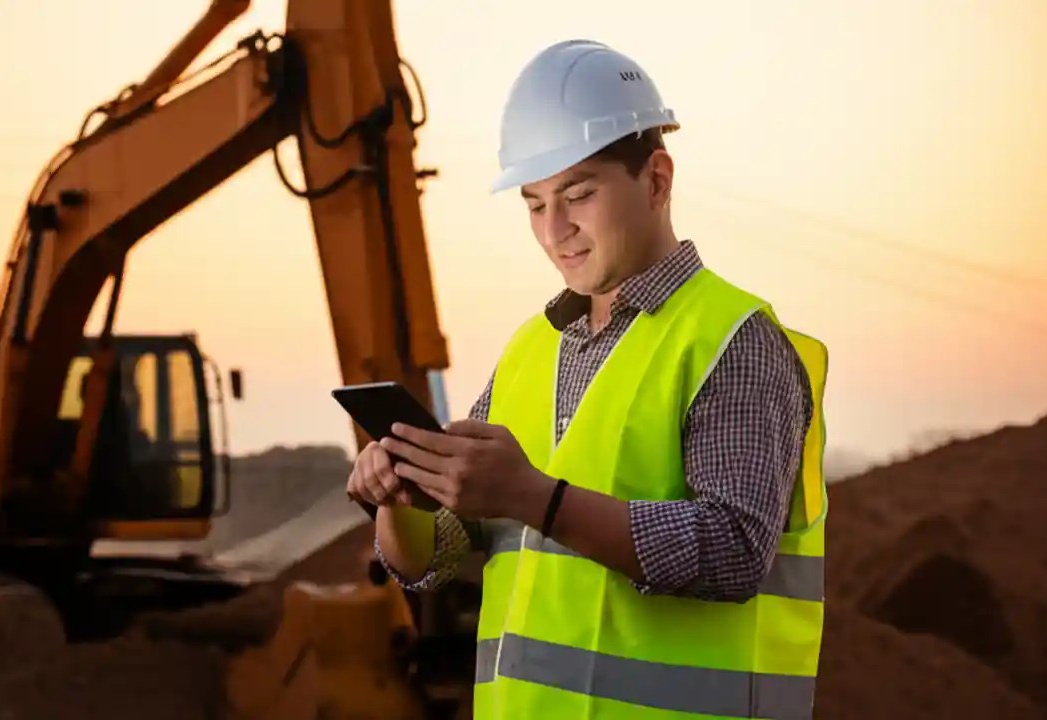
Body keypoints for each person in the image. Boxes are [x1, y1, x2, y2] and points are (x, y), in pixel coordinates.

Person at [347, 39, 830, 719]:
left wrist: (533, 495)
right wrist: (400, 498)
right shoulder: (530, 351)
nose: (555, 231)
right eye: (534, 204)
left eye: (577, 195)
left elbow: (731, 552)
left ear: (657, 181)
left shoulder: (734, 342)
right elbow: (441, 553)